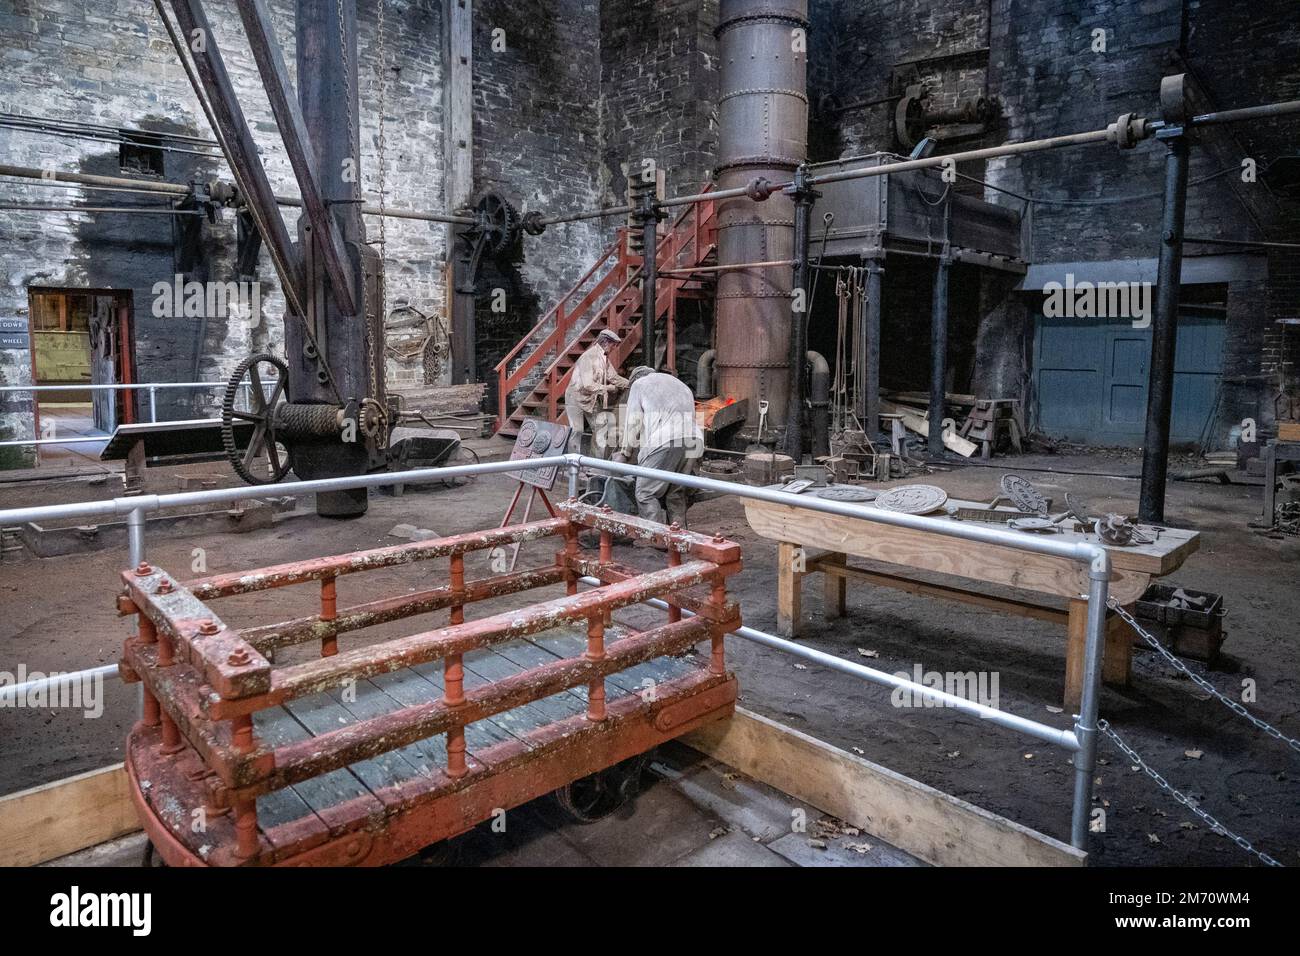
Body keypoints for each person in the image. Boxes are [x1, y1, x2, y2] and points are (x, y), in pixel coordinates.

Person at [616, 366, 703, 527]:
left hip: (666, 439)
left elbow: (633, 423)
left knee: (645, 493)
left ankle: (655, 540)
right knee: (676, 494)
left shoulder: (639, 385)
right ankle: (679, 538)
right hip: (695, 439)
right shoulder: (679, 384)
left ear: (634, 379)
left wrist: (624, 454)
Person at [564, 328, 628, 457]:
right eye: (613, 344)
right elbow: (588, 385)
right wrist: (608, 388)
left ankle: (597, 465)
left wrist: (632, 383)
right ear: (605, 342)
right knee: (577, 430)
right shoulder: (588, 356)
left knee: (600, 430)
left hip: (591, 400)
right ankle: (573, 463)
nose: (615, 347)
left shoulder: (604, 359)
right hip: (575, 397)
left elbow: (614, 377)